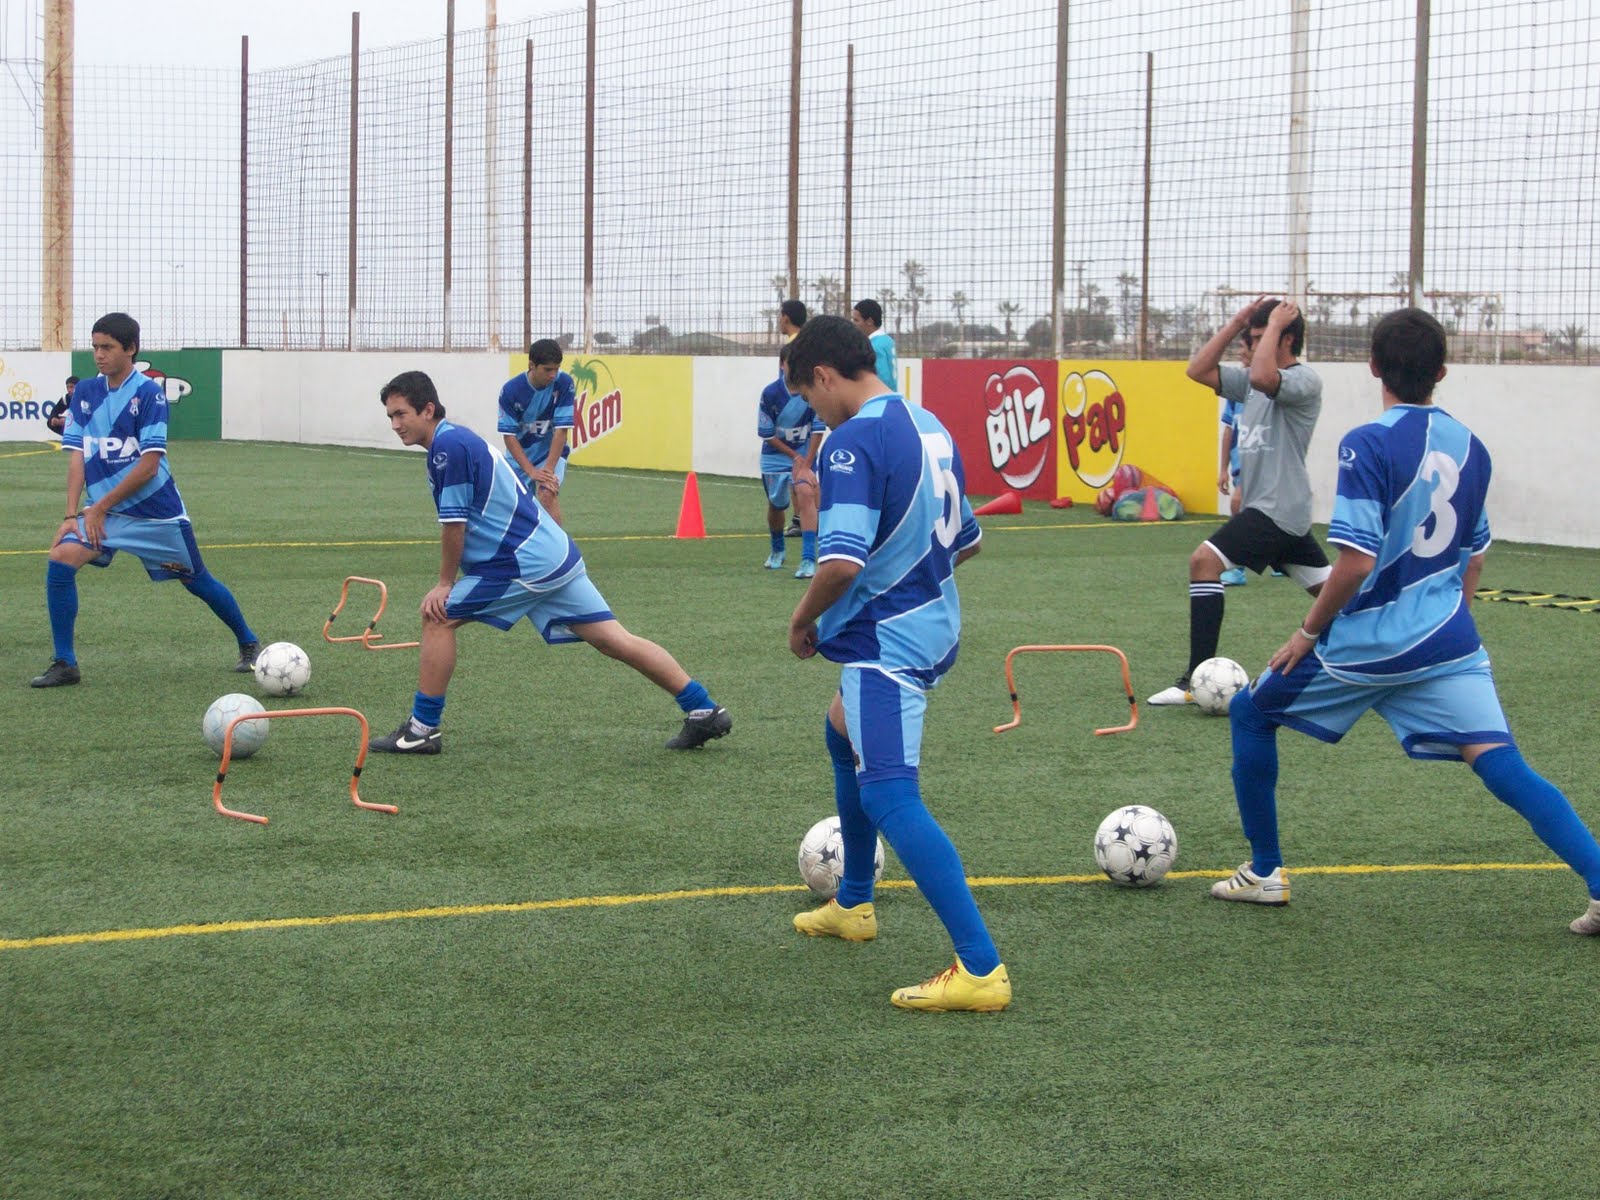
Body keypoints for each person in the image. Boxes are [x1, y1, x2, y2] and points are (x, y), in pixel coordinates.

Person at [1213, 307, 1600, 934]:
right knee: (1498, 758)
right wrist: (1451, 625)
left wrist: (1307, 632)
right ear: (1442, 372)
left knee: (1251, 713)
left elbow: (1356, 562)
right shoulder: (1473, 447)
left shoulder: (1365, 443)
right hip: (1449, 641)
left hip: (1367, 644)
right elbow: (1474, 553)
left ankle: (1265, 871)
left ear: (1372, 368)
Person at [784, 315, 1009, 1013]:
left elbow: (843, 560)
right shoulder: (928, 425)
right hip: (932, 622)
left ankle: (981, 968)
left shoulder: (851, 442)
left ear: (824, 375)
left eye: (808, 397)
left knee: (888, 793)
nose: (813, 414)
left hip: (890, 641)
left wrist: (803, 618)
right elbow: (966, 541)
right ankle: (853, 903)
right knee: (839, 732)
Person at [372, 370, 732, 754]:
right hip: (553, 555)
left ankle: (422, 729)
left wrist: (445, 583)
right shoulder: (456, 441)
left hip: (522, 563)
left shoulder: (448, 450)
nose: (395, 424)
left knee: (438, 616)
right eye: (390, 416)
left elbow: (454, 525)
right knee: (614, 639)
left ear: (428, 410)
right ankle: (702, 707)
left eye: (401, 414)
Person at [31, 314, 259, 688]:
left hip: (157, 516)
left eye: (107, 347)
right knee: (60, 559)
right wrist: (72, 514)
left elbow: (150, 465)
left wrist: (100, 506)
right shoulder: (85, 393)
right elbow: (76, 456)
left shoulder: (149, 394)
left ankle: (249, 642)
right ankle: (65, 662)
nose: (99, 355)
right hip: (102, 515)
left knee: (197, 581)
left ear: (131, 349)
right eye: (95, 347)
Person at [1148, 297, 1330, 706]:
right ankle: (1384, 663)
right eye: (1249, 339)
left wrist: (1277, 323)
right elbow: (1197, 370)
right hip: (1275, 513)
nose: (1248, 347)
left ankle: (1192, 685)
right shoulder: (1251, 382)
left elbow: (1266, 376)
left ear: (1287, 340)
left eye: (1259, 339)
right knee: (1339, 598)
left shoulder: (1303, 381)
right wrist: (1235, 323)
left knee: (1203, 562)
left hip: (1277, 510)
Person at [758, 345, 825, 578]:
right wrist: (794, 456)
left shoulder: (813, 392)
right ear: (781, 365)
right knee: (777, 504)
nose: (795, 369)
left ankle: (808, 559)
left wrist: (806, 461)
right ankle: (778, 549)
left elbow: (818, 428)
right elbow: (767, 433)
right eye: (790, 364)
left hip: (805, 455)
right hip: (775, 457)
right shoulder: (770, 394)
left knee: (806, 495)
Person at [497, 338, 575, 526]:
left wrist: (547, 470)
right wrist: (530, 471)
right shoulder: (511, 391)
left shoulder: (564, 384)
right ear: (532, 365)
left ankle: (560, 552)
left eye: (556, 369)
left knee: (547, 492)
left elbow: (561, 431)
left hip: (550, 456)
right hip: (520, 459)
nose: (553, 375)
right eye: (548, 370)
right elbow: (509, 436)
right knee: (513, 511)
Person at [850, 298, 898, 391]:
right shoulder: (887, 340)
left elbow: (881, 378)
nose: (853, 324)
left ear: (869, 321)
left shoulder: (873, 346)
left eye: (856, 320)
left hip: (879, 398)